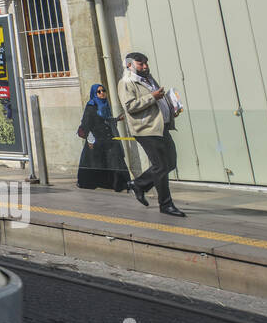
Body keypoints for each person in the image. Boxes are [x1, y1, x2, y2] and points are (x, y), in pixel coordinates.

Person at [118, 51, 186, 217]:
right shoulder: (126, 82)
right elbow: (130, 106)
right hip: (146, 129)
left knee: (170, 163)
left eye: (146, 63)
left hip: (161, 127)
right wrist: (152, 97)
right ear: (129, 65)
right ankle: (166, 204)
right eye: (140, 64)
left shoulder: (148, 79)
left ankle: (139, 185)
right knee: (161, 166)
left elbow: (159, 99)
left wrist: (171, 109)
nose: (145, 66)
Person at [76, 83, 131, 191]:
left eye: (103, 91)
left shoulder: (105, 105)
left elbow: (105, 121)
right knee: (94, 163)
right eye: (99, 92)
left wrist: (116, 120)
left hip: (108, 139)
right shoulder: (91, 107)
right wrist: (90, 140)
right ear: (94, 93)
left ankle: (122, 184)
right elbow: (86, 125)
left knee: (116, 161)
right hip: (96, 141)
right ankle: (89, 183)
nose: (102, 93)